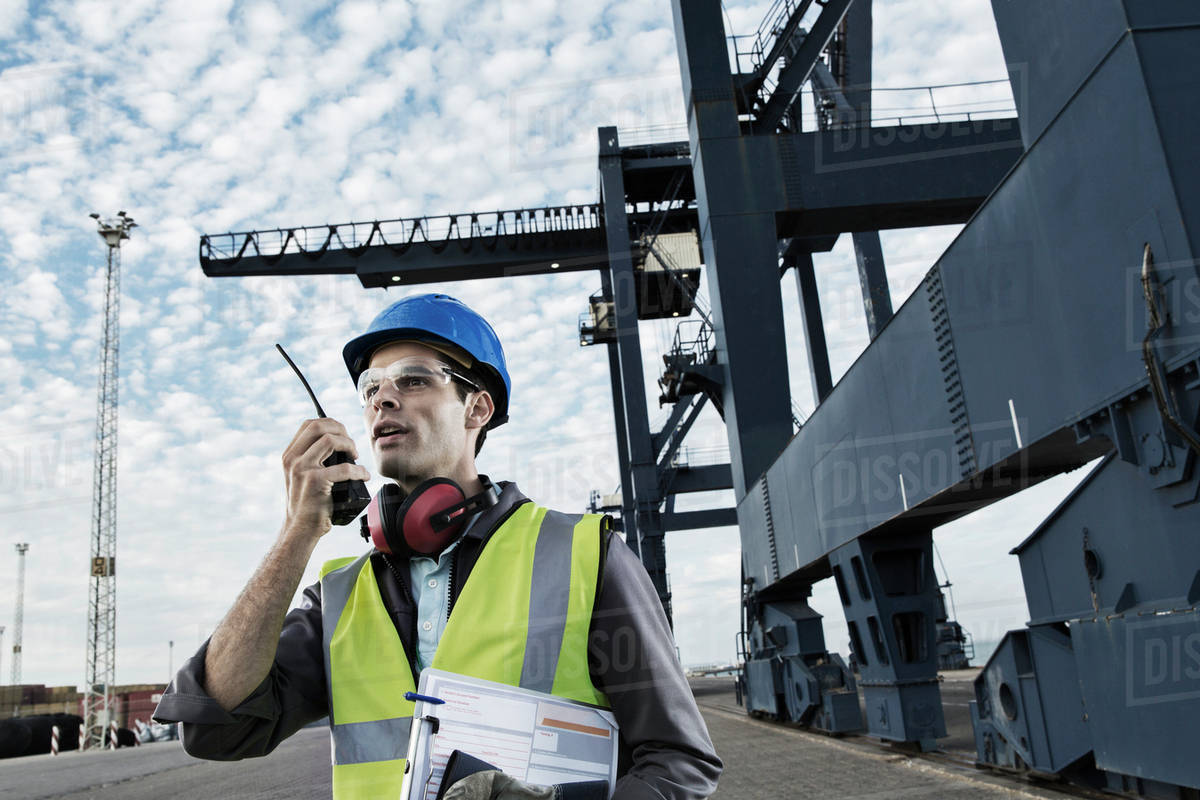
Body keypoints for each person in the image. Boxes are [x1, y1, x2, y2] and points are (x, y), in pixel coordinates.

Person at [154, 293, 722, 799]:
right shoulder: (338, 599)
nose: (383, 399)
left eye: (413, 379)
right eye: (370, 388)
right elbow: (215, 726)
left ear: (478, 408)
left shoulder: (583, 556)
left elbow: (678, 761)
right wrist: (296, 533)